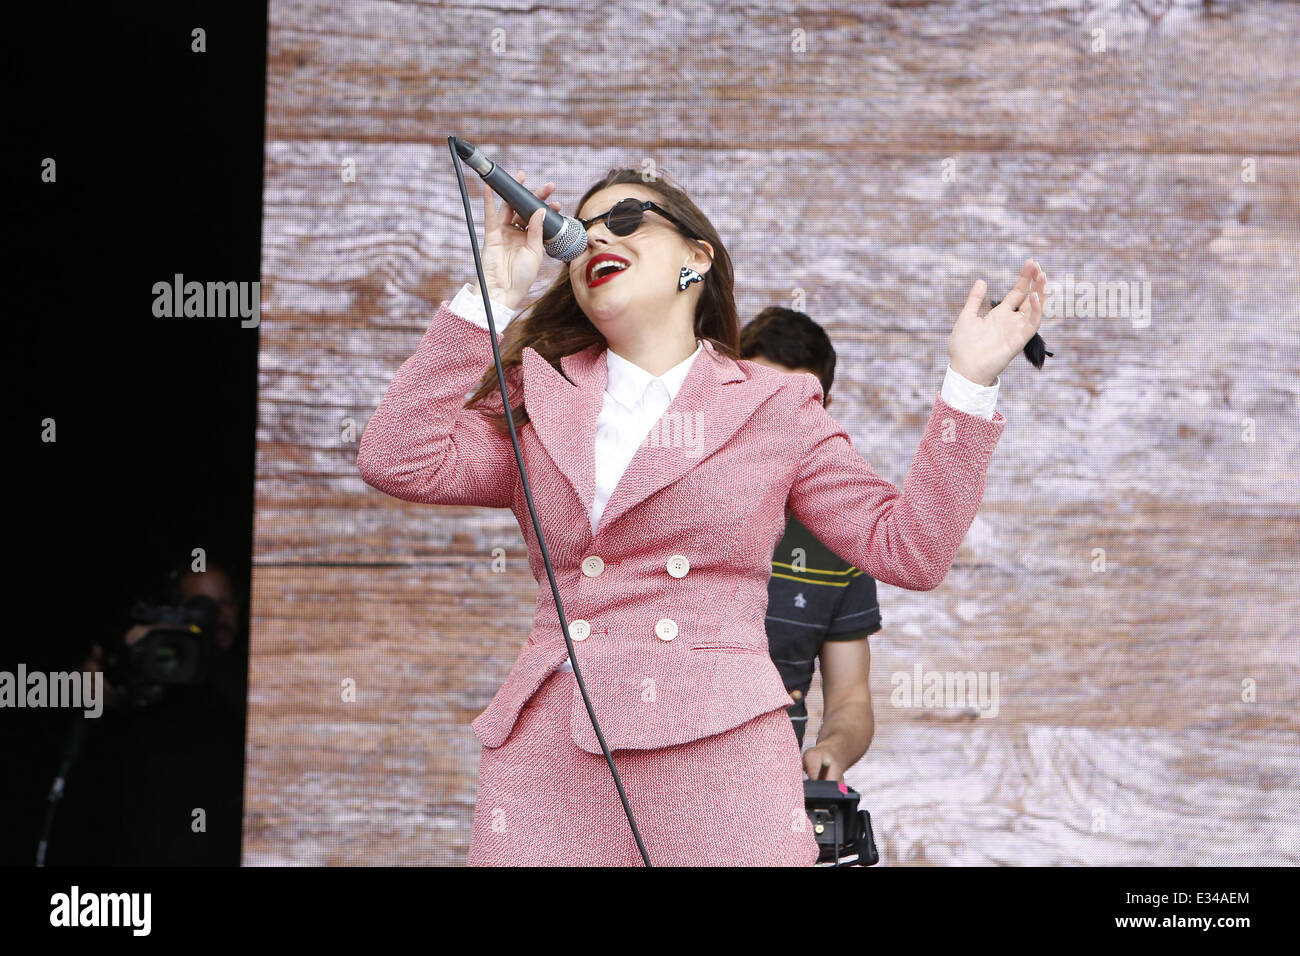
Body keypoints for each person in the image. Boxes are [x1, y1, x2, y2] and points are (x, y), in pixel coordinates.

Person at [357, 166, 1045, 865]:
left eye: (624, 220)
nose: (595, 238)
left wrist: (970, 383)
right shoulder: (537, 396)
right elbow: (397, 458)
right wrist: (493, 295)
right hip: (552, 755)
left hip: (718, 756)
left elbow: (912, 549)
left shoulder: (774, 406)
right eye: (578, 234)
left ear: (696, 257)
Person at [739, 308, 880, 781]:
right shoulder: (671, 501)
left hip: (766, 797)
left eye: (793, 404)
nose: (772, 420)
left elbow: (850, 699)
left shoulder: (843, 537)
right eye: (760, 397)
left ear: (821, 413)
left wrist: (834, 749)